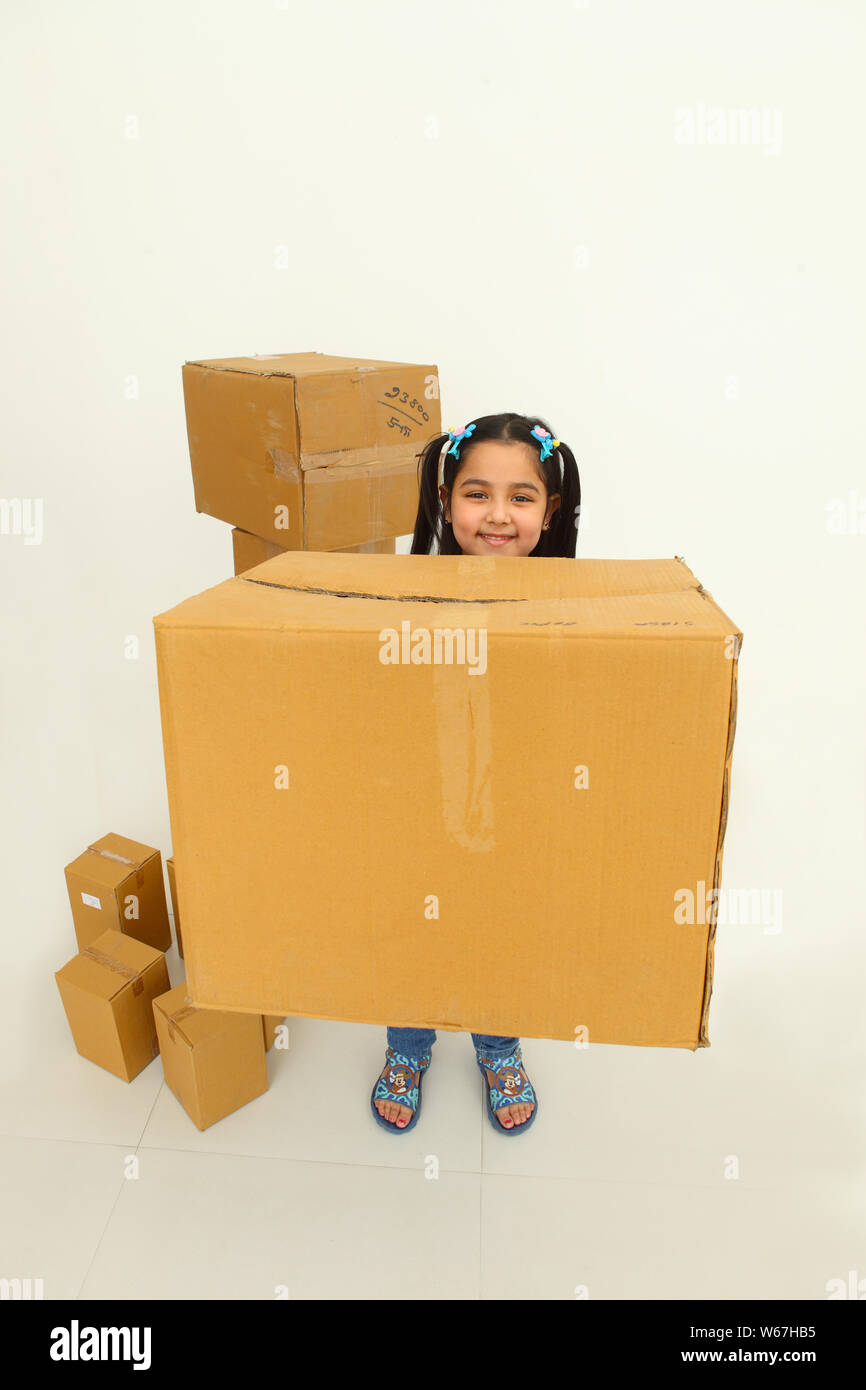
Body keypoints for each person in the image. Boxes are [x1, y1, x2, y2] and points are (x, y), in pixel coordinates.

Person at [371, 412, 582, 1136]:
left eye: (521, 498)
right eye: (477, 494)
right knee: (411, 929)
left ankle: (497, 1046)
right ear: (444, 497)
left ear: (549, 512)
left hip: (513, 814)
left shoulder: (573, 613)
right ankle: (409, 1046)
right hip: (419, 809)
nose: (497, 516)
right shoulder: (404, 601)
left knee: (501, 930)